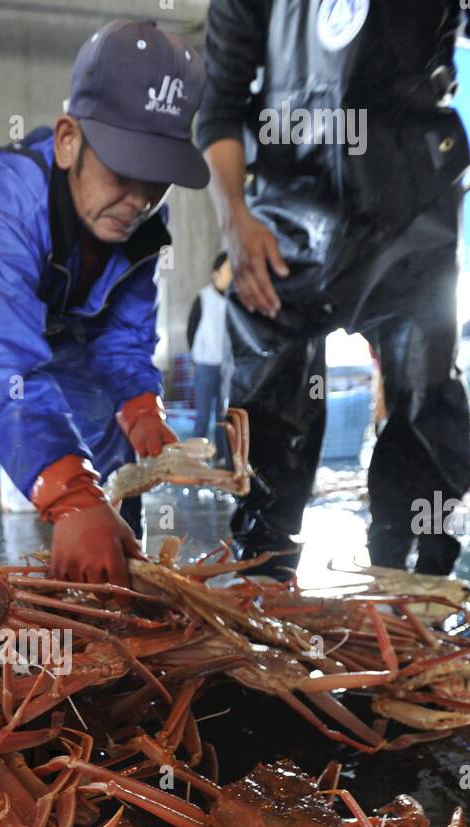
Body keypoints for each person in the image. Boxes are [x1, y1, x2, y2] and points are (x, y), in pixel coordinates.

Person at [0, 19, 209, 586]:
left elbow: (122, 336)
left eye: (158, 178)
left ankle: (121, 580)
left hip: (46, 318)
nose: (139, 200)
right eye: (125, 169)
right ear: (67, 140)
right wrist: (69, 498)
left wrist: (138, 402)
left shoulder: (140, 218)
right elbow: (6, 362)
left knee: (112, 433)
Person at [197, 0, 470, 576]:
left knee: (424, 400)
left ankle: (410, 587)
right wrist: (234, 219)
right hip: (288, 216)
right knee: (269, 406)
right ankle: (264, 586)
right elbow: (219, 107)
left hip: (411, 209)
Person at [187, 250, 232, 449]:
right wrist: (197, 357)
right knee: (203, 414)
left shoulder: (234, 301)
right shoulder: (203, 298)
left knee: (224, 415)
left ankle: (222, 457)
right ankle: (198, 460)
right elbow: (191, 330)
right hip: (205, 365)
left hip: (227, 367)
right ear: (216, 272)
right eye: (228, 269)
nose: (232, 274)